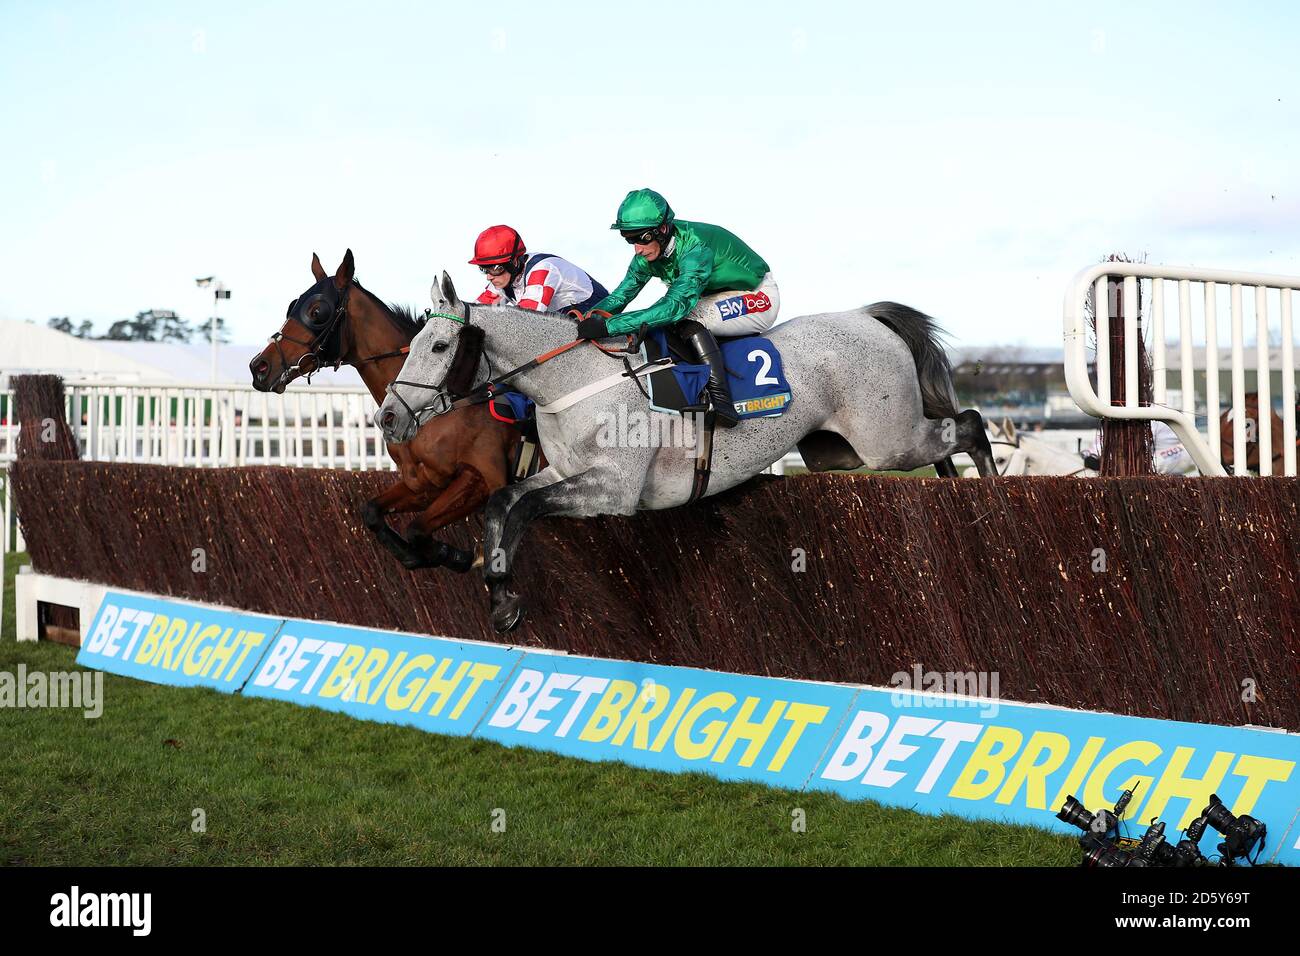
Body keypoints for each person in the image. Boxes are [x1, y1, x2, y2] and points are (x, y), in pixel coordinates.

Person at [575, 189, 779, 428]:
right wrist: (585, 319)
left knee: (686, 319)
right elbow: (621, 296)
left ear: (661, 230)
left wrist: (609, 326)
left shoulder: (696, 249)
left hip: (757, 295)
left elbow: (675, 306)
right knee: (666, 323)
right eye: (630, 240)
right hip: (712, 295)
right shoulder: (646, 255)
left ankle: (721, 402)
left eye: (641, 238)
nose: (637, 249)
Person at [469, 225, 608, 316]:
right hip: (567, 318)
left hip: (597, 311)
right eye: (483, 269)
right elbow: (477, 314)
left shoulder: (543, 270)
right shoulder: (502, 278)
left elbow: (525, 320)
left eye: (494, 268)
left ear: (514, 262)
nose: (488, 277)